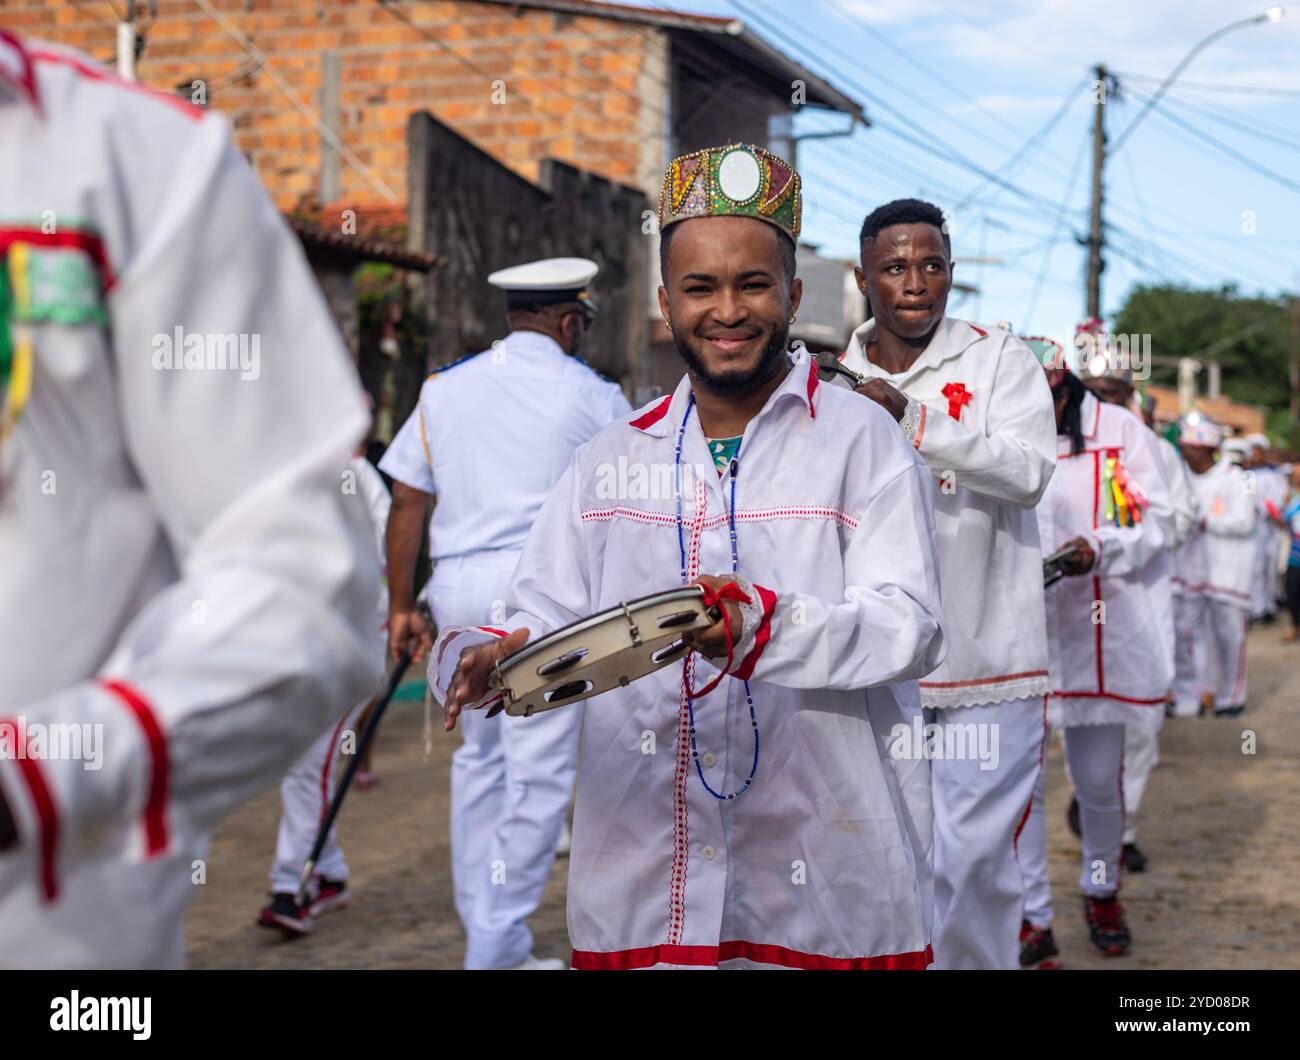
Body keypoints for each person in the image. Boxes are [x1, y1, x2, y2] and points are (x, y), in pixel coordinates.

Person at [434, 144, 946, 969]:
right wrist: (489, 652)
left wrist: (764, 629)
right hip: (645, 863)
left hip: (824, 863)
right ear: (668, 302)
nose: (727, 311)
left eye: (752, 284)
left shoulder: (864, 441)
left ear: (794, 293)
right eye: (701, 288)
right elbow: (541, 612)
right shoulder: (608, 456)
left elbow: (910, 625)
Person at [0, 30, 381, 967]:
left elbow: (299, 575)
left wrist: (40, 780)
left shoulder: (133, 162)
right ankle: (302, 876)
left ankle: (304, 875)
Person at [381, 257, 630, 970]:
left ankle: (494, 937)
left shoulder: (443, 390)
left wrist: (402, 605)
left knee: (480, 764)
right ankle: (494, 947)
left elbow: (406, 498)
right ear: (568, 319)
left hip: (457, 585)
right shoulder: (594, 396)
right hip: (536, 593)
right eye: (581, 323)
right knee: (540, 772)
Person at [839, 199, 1056, 970]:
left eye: (932, 265)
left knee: (972, 865)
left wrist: (913, 421)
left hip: (988, 661)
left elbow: (1029, 475)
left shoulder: (999, 359)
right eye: (895, 267)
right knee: (890, 859)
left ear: (952, 274)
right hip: (881, 665)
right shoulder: (836, 378)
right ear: (863, 277)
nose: (916, 282)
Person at [1020, 342, 1173, 961]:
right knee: (1017, 790)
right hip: (1019, 636)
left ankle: (1101, 889)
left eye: (1043, 399)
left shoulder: (1121, 432)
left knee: (1098, 785)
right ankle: (1031, 915)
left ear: (1065, 390)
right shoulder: (996, 427)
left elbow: (1158, 523)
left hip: (1099, 634)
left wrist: (1100, 547)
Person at [259, 454, 392, 934]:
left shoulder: (355, 475)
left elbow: (376, 557)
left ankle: (291, 886)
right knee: (302, 763)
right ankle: (329, 873)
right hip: (309, 645)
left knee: (306, 764)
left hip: (353, 645)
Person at [1074, 367, 1181, 875]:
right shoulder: (1039, 436)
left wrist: (1112, 542)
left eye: (1112, 394)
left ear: (1129, 396)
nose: (1102, 404)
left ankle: (1123, 830)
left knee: (1132, 735)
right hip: (1063, 621)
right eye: (1092, 393)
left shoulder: (1147, 447)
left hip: (1127, 612)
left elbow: (1173, 520)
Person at [1180, 416, 1257, 716]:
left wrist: (1205, 521)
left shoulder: (1237, 479)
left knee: (1231, 639)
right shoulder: (1184, 478)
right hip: (1193, 573)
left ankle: (1233, 697)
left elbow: (1245, 522)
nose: (1185, 453)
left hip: (1229, 574)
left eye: (1191, 447)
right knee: (1193, 635)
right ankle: (1201, 693)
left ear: (1207, 448)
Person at [1243, 433, 1287, 625]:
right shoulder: (1248, 474)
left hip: (1271, 526)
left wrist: (1272, 510)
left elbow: (1278, 497)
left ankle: (1269, 605)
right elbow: (1247, 500)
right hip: (1254, 526)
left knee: (1271, 566)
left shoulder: (1273, 474)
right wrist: (1262, 507)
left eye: (1258, 451)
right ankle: (1256, 608)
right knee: (1255, 567)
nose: (1255, 455)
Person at [1276, 465, 1300, 641]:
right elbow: (1284, 524)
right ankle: (1295, 626)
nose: (1298, 477)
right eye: (1296, 474)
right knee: (1291, 593)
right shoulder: (1290, 497)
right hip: (1294, 556)